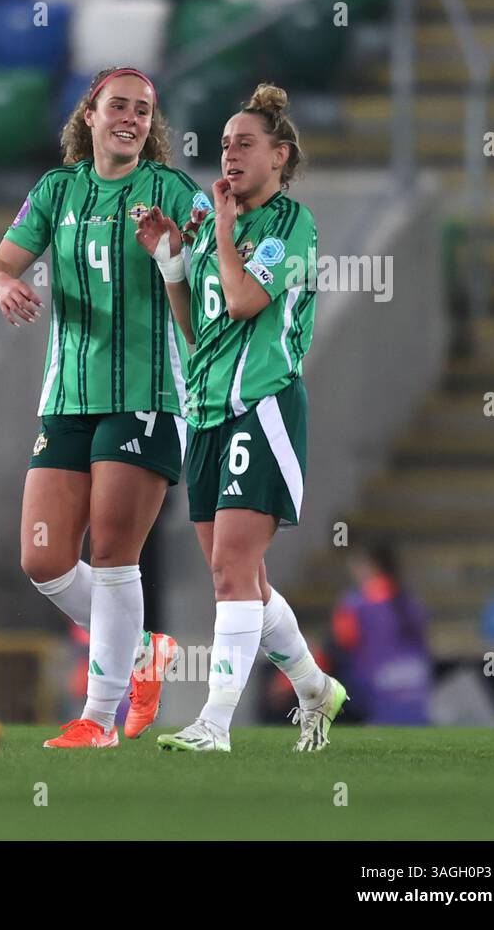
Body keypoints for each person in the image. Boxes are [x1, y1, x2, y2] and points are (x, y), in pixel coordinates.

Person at [0, 66, 207, 749]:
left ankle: (98, 718)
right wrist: (2, 287)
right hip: (67, 396)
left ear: (152, 124)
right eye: (118, 106)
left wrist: (175, 257)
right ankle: (142, 652)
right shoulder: (57, 190)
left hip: (148, 393)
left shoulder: (170, 190)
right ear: (90, 115)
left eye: (142, 109)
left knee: (111, 555)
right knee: (43, 558)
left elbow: (206, 291)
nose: (130, 117)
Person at [137, 83, 347, 753]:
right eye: (225, 145)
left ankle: (215, 723)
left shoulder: (291, 224)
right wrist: (173, 261)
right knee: (241, 578)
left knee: (231, 569)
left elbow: (243, 301)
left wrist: (221, 233)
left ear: (279, 156)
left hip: (264, 405)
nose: (229, 155)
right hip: (204, 412)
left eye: (245, 145)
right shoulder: (207, 231)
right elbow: (197, 331)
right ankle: (315, 687)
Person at [331, 542, 431, 724]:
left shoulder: (355, 604)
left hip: (375, 686)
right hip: (414, 683)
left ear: (371, 565)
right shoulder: (408, 599)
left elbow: (343, 641)